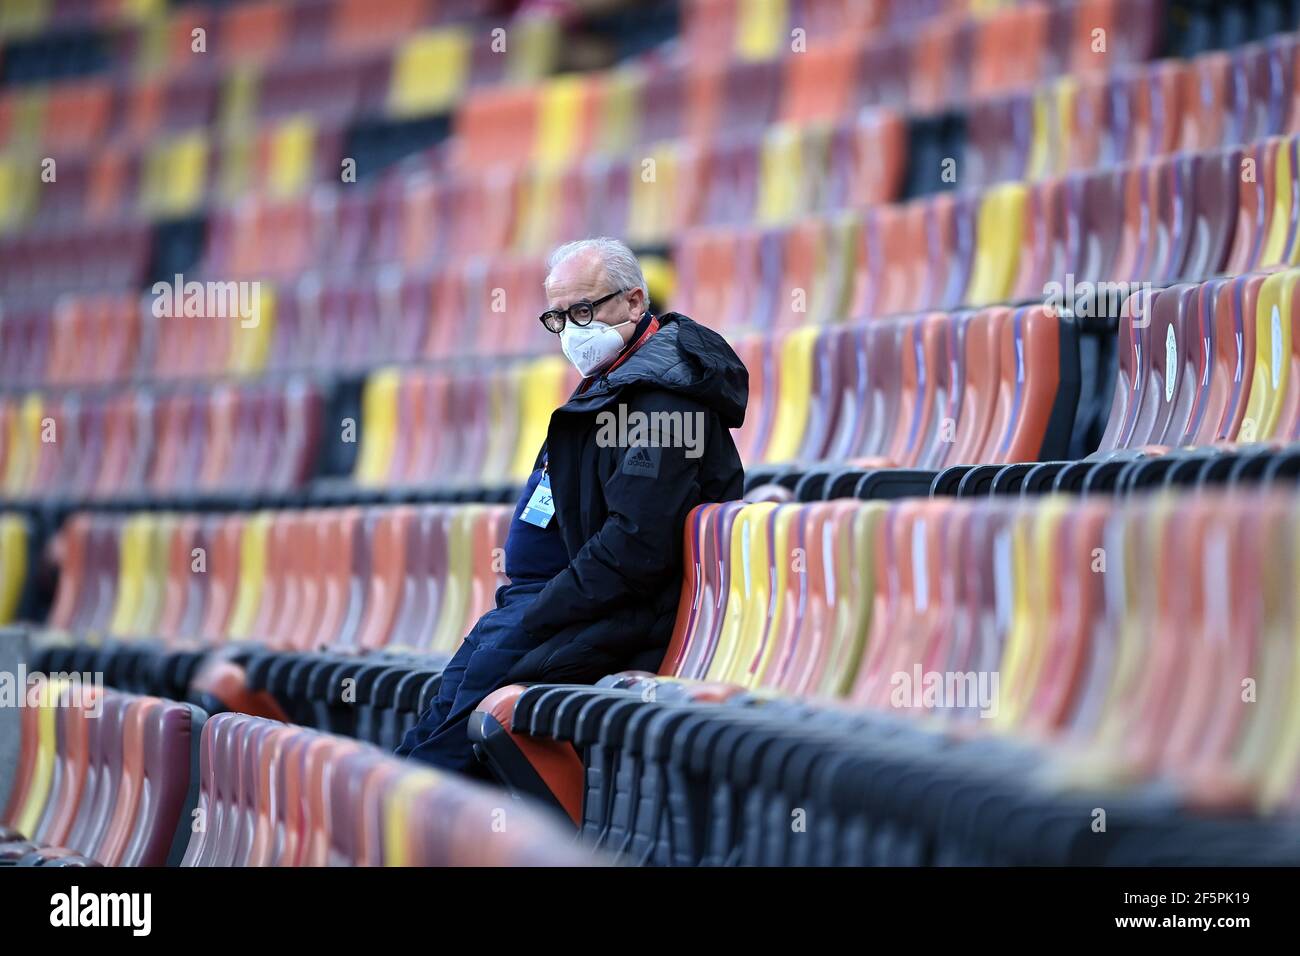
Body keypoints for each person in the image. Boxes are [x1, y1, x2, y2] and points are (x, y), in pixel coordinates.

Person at [397, 237, 747, 773]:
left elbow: (635, 547)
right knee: (444, 707)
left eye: (583, 311)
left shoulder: (664, 403)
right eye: (558, 318)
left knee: (460, 738)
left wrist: (542, 610)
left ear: (634, 301)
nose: (571, 330)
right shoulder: (611, 383)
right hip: (556, 606)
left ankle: (404, 812)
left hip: (613, 618)